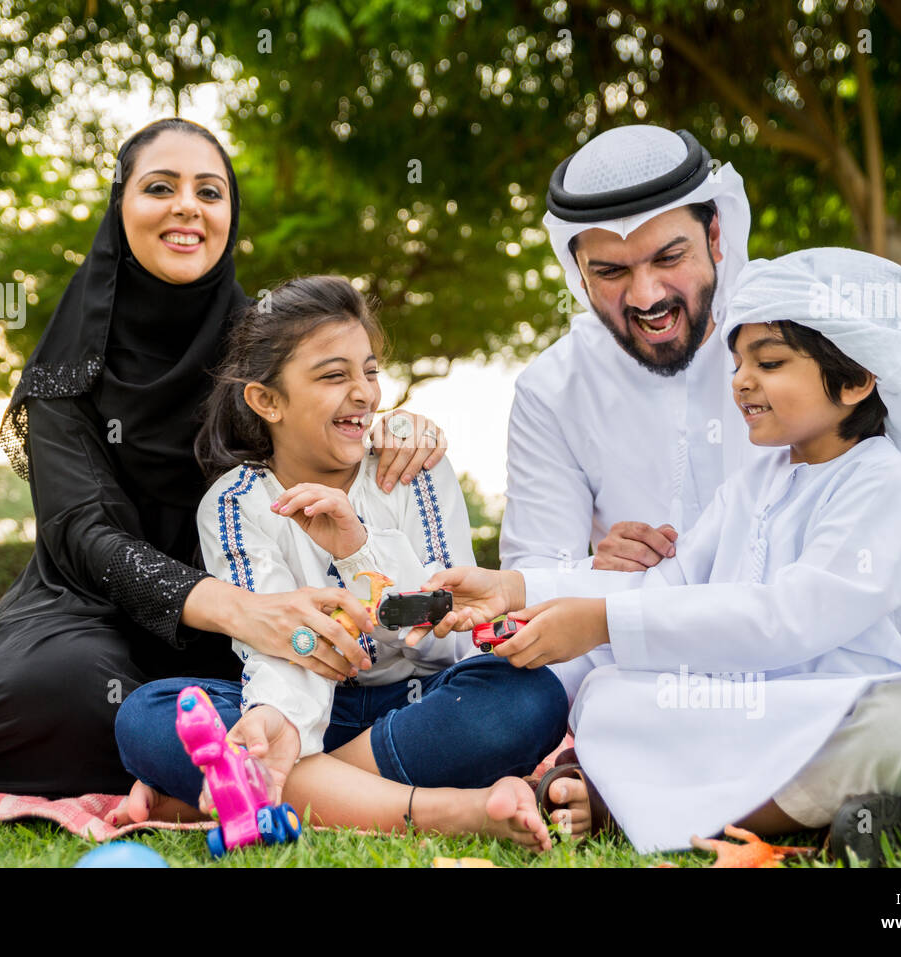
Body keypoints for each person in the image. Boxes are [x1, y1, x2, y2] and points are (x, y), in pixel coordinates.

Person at [0, 119, 448, 805]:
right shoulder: (72, 364)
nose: (188, 206)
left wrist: (397, 429)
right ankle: (308, 777)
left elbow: (331, 418)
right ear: (121, 208)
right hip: (93, 617)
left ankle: (262, 773)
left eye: (210, 192)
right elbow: (84, 534)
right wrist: (237, 609)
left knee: (311, 691)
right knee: (78, 691)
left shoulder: (263, 349)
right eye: (160, 187)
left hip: (261, 634)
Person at [501, 124, 901, 806]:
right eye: (613, 272)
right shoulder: (552, 389)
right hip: (678, 642)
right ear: (580, 271)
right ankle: (822, 794)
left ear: (715, 238)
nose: (647, 295)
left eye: (668, 258)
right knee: (605, 691)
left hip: (845, 647)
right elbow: (545, 564)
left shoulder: (794, 321)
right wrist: (592, 568)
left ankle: (675, 796)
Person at [419, 249, 901, 859]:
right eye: (738, 362)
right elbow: (670, 586)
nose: (741, 381)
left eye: (769, 362)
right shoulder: (755, 480)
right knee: (613, 694)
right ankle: (841, 811)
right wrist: (520, 592)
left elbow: (790, 617)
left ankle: (641, 811)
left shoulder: (884, 483)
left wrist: (601, 622)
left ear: (855, 380)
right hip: (747, 702)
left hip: (843, 697)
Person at [111, 275, 568, 850]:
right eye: (334, 375)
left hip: (418, 706)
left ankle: (230, 795)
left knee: (530, 697)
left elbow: (450, 634)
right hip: (298, 701)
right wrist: (276, 722)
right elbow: (274, 642)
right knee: (148, 715)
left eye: (370, 371)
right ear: (267, 400)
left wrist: (359, 552)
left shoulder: (413, 469)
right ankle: (443, 810)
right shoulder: (236, 504)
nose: (366, 394)